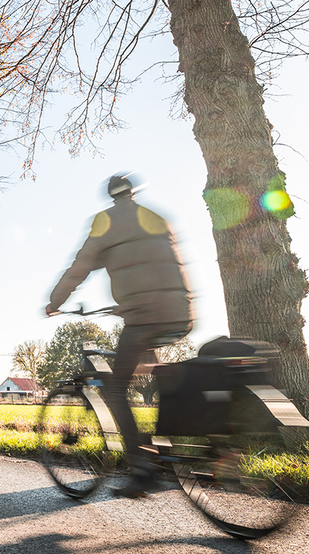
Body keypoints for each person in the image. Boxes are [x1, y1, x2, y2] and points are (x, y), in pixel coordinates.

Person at [45, 173, 193, 498]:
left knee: (114, 388)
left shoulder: (106, 221)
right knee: (153, 368)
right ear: (134, 192)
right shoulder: (155, 216)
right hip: (181, 311)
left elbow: (80, 266)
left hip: (143, 316)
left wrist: (55, 302)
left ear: (111, 196)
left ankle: (143, 469)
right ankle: (164, 446)